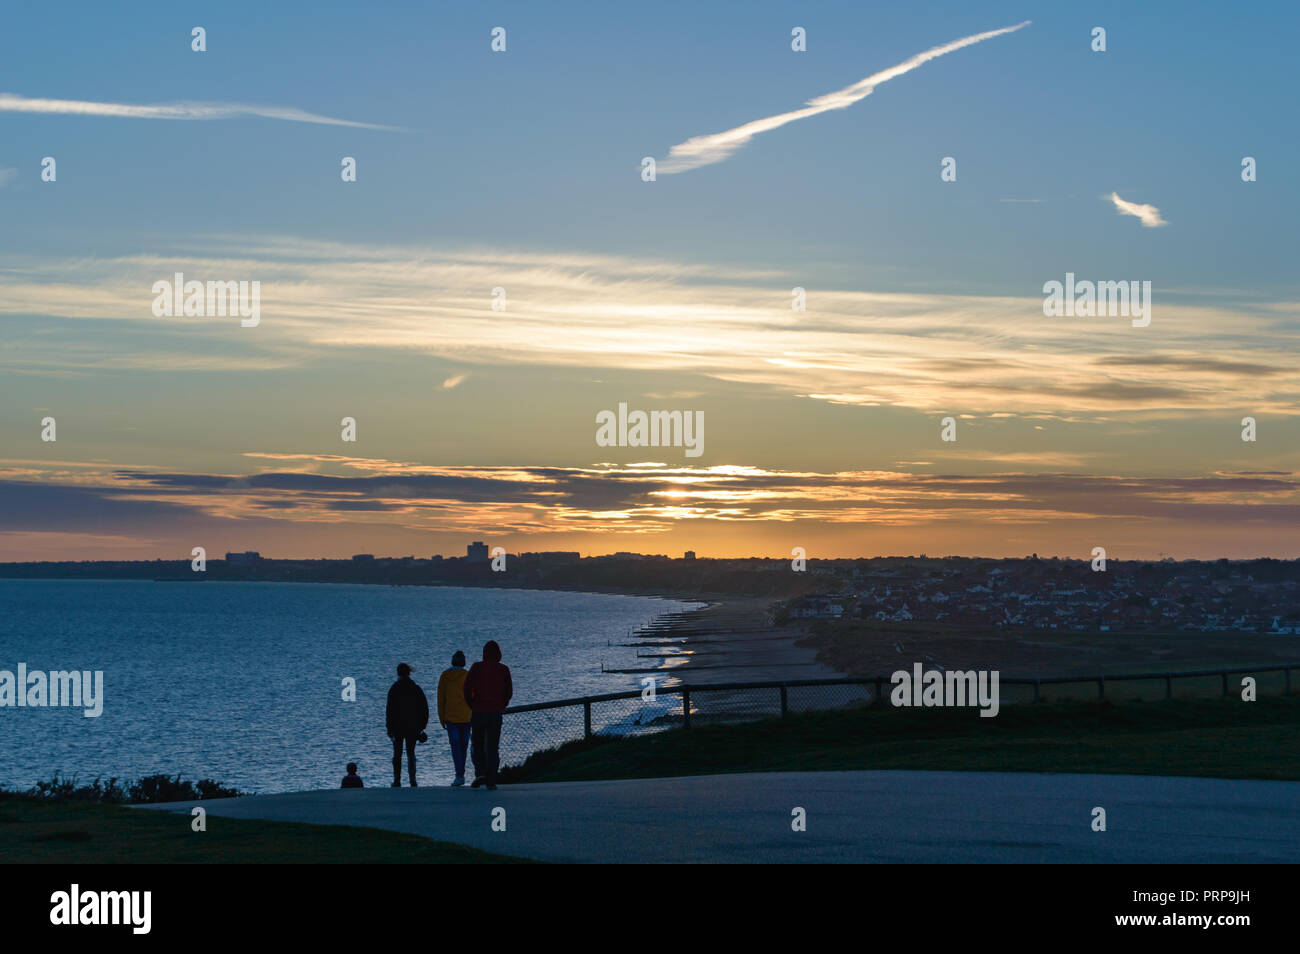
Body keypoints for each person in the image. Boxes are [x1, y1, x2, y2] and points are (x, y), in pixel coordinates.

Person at [463, 640, 512, 790]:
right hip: (495, 713)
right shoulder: (503, 669)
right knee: (492, 747)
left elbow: (466, 688)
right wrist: (501, 705)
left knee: (477, 745)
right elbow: (509, 692)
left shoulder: (477, 667)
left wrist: (472, 704)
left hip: (478, 711)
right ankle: (491, 779)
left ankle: (480, 774)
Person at [386, 662, 429, 787]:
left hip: (397, 727)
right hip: (413, 726)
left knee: (397, 754)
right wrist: (422, 726)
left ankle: (397, 780)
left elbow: (389, 711)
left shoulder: (394, 688)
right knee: (411, 753)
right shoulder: (415, 688)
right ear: (409, 673)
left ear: (398, 673)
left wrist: (389, 728)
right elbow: (424, 708)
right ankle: (412, 780)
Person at [437, 651, 473, 787]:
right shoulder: (467, 675)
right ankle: (461, 773)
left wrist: (442, 717)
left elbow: (441, 698)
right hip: (466, 716)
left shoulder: (445, 676)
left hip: (451, 718)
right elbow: (472, 696)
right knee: (463, 747)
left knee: (455, 747)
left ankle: (459, 774)